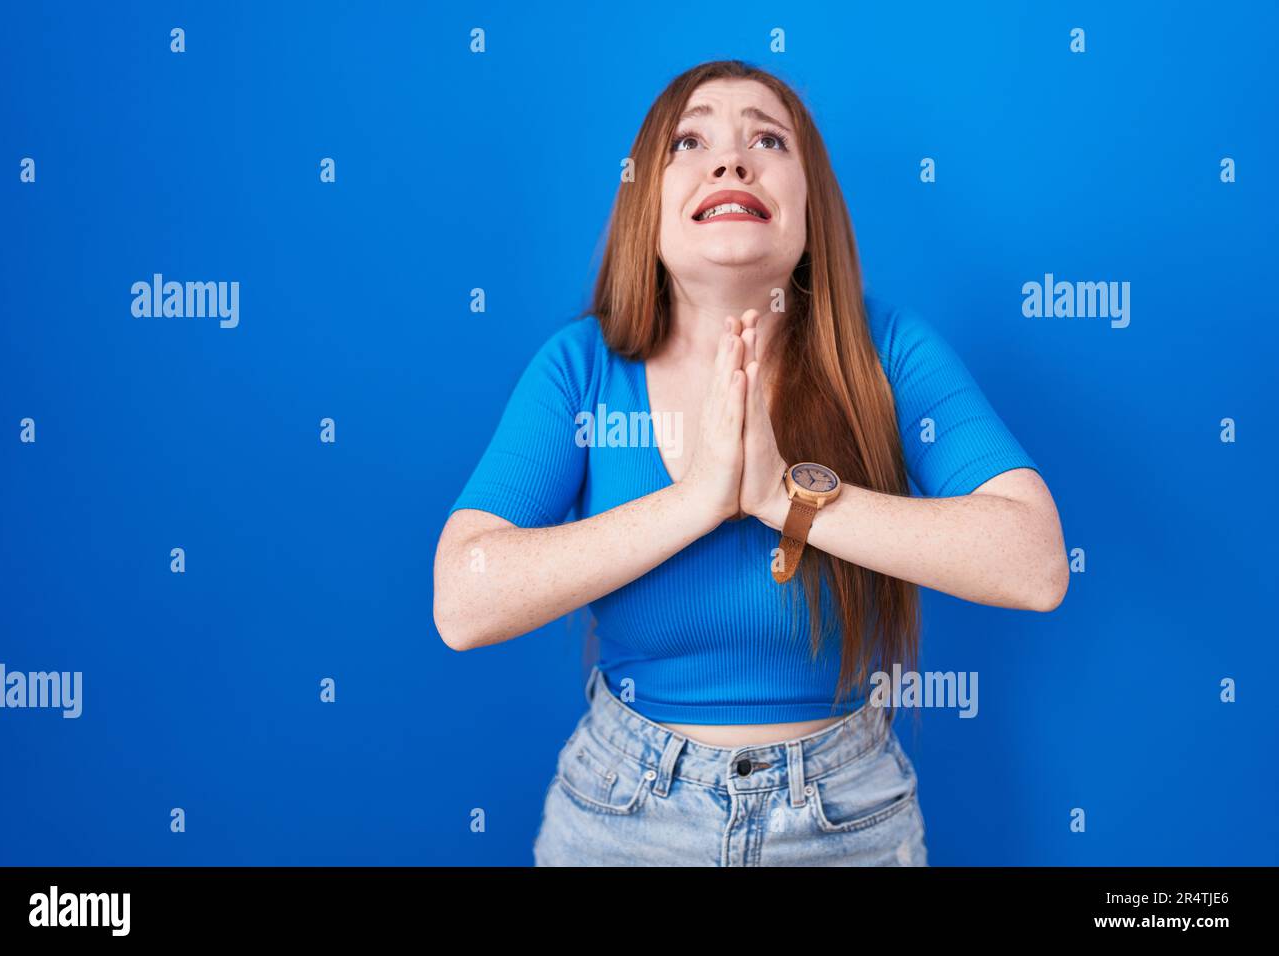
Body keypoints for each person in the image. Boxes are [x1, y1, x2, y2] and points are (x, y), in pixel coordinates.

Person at [432, 60, 1067, 866]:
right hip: (621, 819)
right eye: (690, 140)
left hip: (848, 822)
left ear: (811, 208)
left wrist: (784, 497)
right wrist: (695, 499)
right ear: (646, 209)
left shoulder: (888, 353)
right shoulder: (579, 368)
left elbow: (1037, 562)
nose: (732, 160)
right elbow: (461, 601)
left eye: (768, 139)